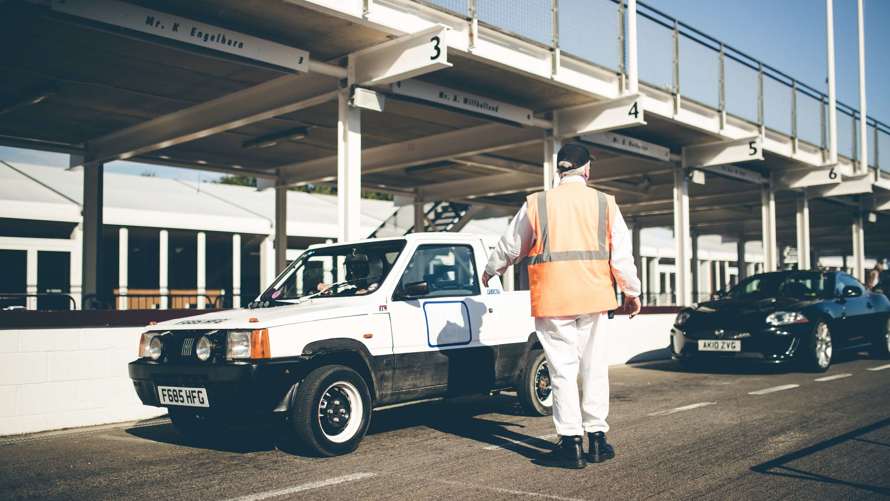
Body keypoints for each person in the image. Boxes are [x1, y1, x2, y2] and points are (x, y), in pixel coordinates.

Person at [483, 142, 641, 469]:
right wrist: (631, 292)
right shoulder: (605, 203)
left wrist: (490, 270)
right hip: (594, 297)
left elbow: (511, 244)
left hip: (553, 299)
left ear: (560, 170)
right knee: (594, 367)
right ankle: (597, 440)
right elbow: (622, 255)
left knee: (562, 371)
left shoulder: (538, 203)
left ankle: (571, 444)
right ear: (587, 170)